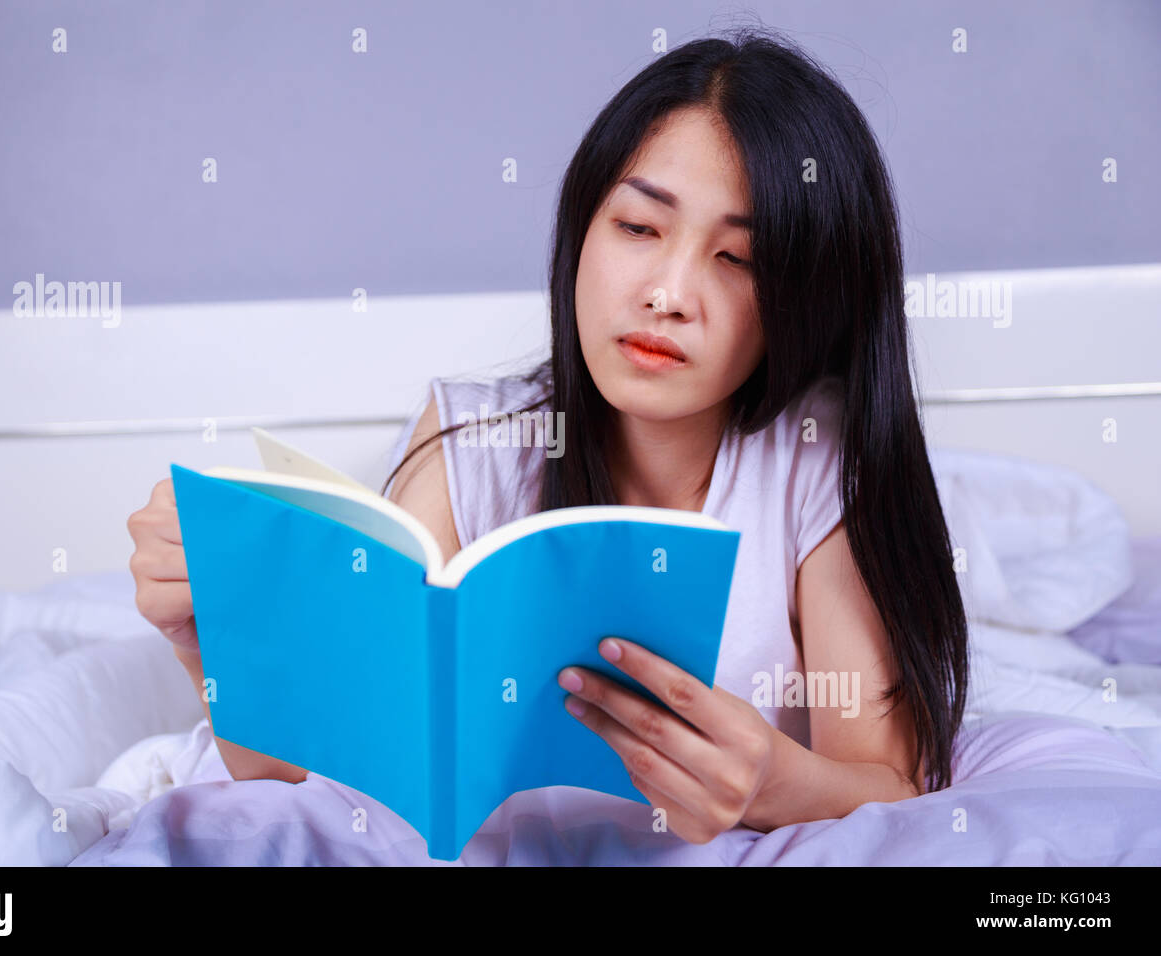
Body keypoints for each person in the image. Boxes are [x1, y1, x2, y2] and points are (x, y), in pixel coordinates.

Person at [127, 27, 968, 848]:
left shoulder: (814, 459)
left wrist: (768, 782)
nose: (669, 294)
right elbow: (307, 771)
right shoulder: (472, 437)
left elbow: (889, 785)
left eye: (737, 260)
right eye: (639, 228)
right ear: (582, 229)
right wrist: (211, 637)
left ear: (808, 299)